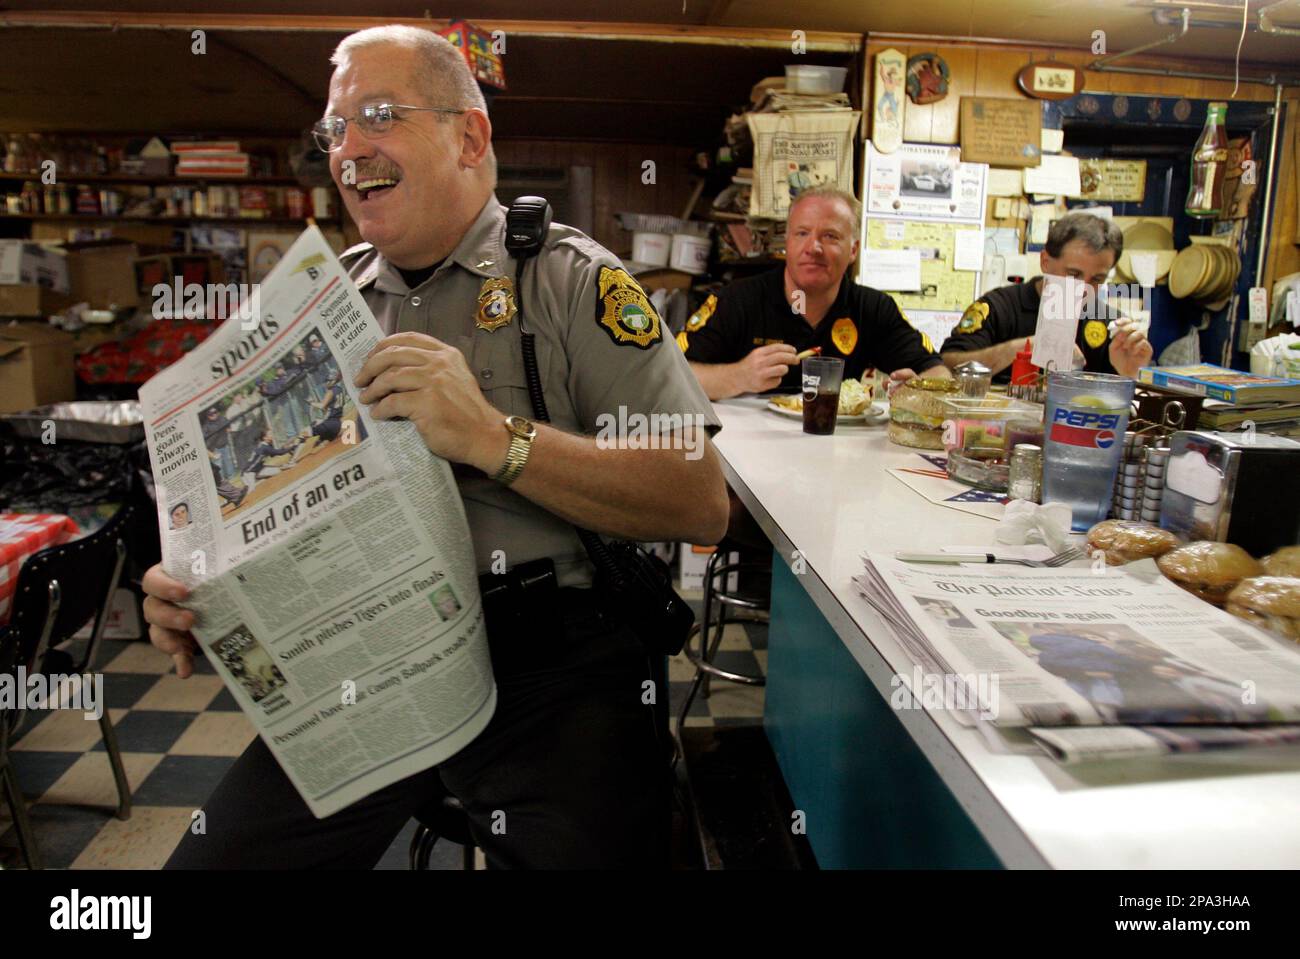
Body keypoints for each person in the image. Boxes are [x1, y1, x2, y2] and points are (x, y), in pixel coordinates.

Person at [140, 24, 728, 870]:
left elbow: (698, 497)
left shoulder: (571, 281)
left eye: (379, 116)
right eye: (335, 129)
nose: (349, 150)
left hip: (554, 672)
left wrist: (496, 439)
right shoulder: (320, 306)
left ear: (470, 135)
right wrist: (199, 587)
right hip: (367, 669)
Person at [681, 184, 952, 401]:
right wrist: (739, 376)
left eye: (830, 236)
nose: (814, 247)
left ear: (853, 250)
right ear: (786, 243)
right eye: (802, 233)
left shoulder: (873, 308)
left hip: (835, 452)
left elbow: (939, 374)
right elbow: (675, 376)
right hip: (741, 456)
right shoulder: (736, 300)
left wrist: (919, 390)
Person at [940, 212, 1153, 381]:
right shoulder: (999, 307)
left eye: (1097, 279)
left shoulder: (1111, 326)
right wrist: (1021, 349)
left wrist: (1130, 374)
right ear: (1045, 262)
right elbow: (946, 364)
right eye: (1073, 275)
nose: (1083, 289)